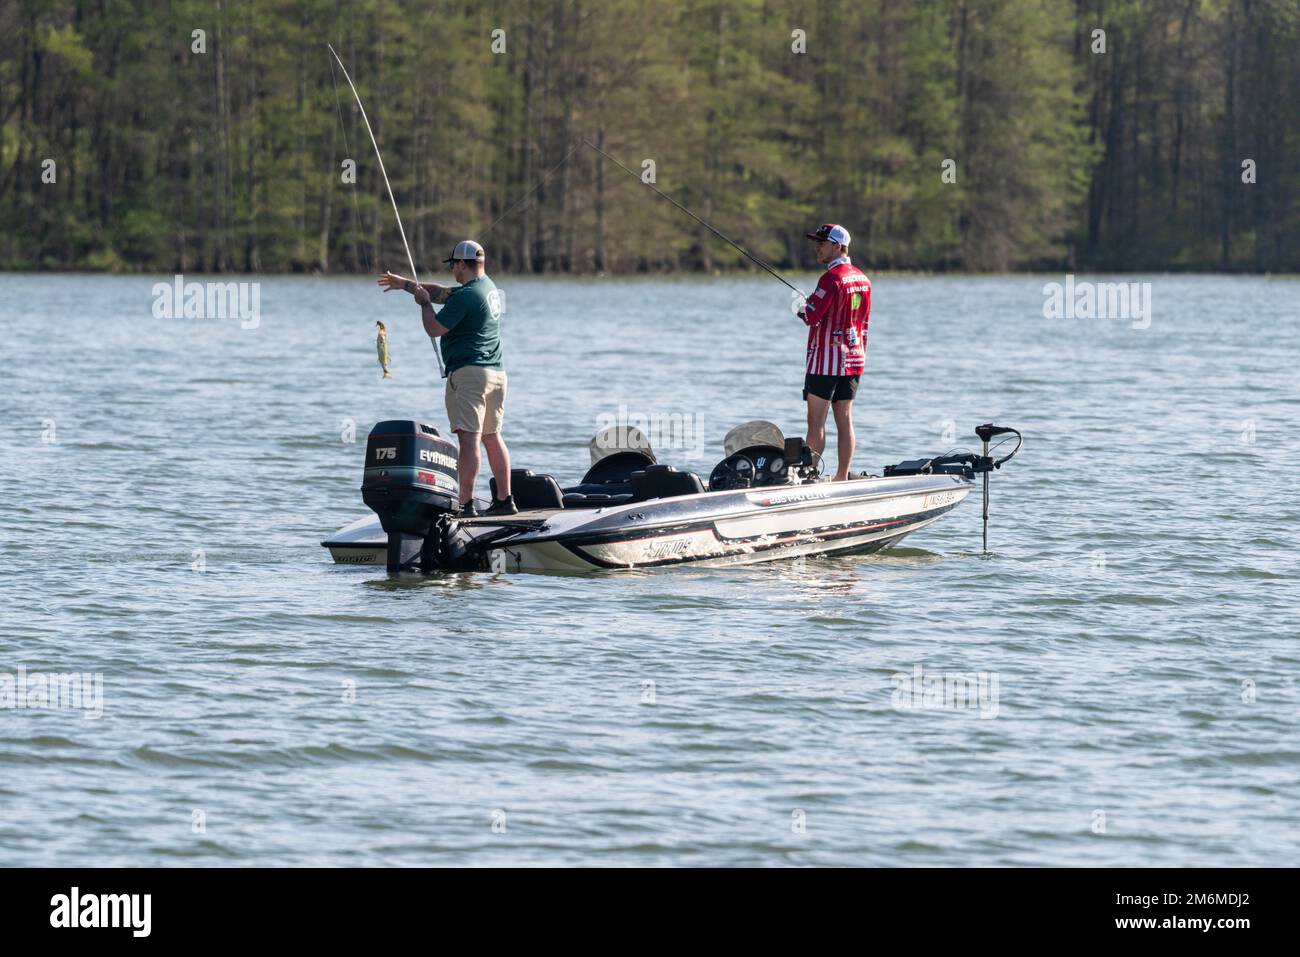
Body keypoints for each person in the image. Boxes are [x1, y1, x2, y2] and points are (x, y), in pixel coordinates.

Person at [377, 240, 515, 517]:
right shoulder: (487, 288)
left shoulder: (467, 296)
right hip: (496, 374)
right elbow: (442, 293)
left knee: (469, 440)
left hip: (470, 375)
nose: (452, 270)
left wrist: (424, 305)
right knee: (492, 437)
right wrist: (406, 285)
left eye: (454, 265)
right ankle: (505, 500)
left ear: (463, 264)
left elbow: (434, 328)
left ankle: (465, 505)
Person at [797, 223, 871, 481]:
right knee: (845, 418)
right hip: (853, 358)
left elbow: (811, 315)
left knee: (816, 422)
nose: (817, 247)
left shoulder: (830, 279)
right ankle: (841, 477)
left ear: (837, 246)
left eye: (822, 243)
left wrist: (799, 305)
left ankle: (810, 476)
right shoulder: (862, 278)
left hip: (825, 362)